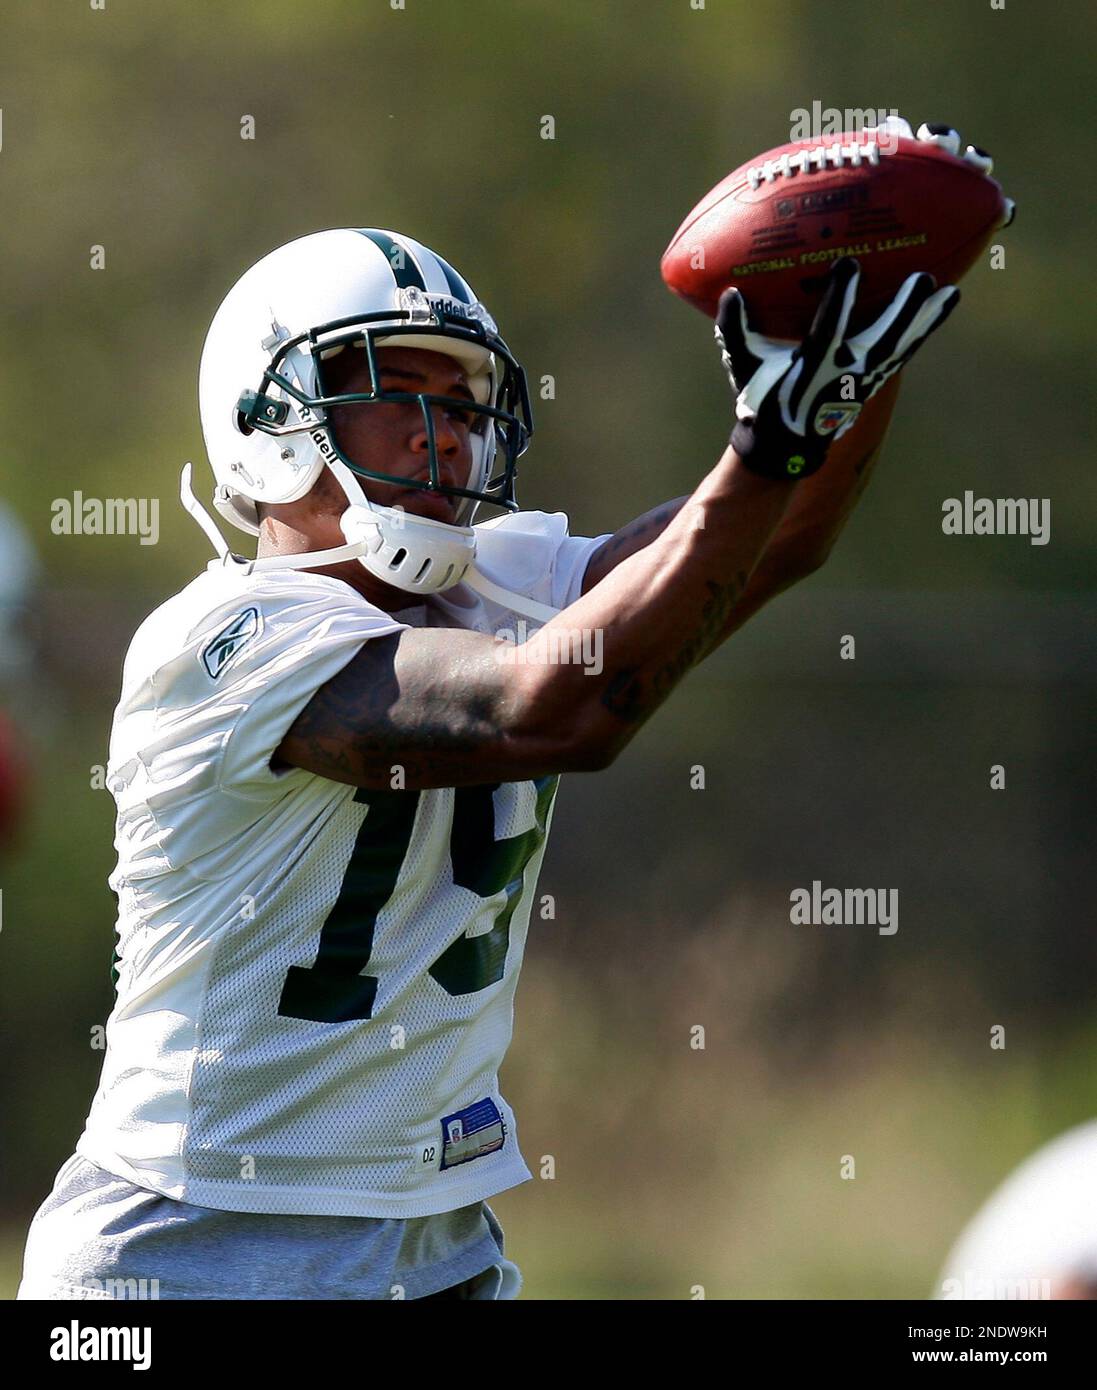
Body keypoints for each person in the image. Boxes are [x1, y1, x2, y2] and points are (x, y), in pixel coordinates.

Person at [18, 133, 982, 1298]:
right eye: (393, 398)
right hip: (200, 1241)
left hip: (431, 1234)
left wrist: (845, 377)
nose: (443, 435)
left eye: (461, 402)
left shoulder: (495, 576)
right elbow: (554, 709)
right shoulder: (222, 645)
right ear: (270, 426)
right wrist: (767, 446)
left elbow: (768, 542)